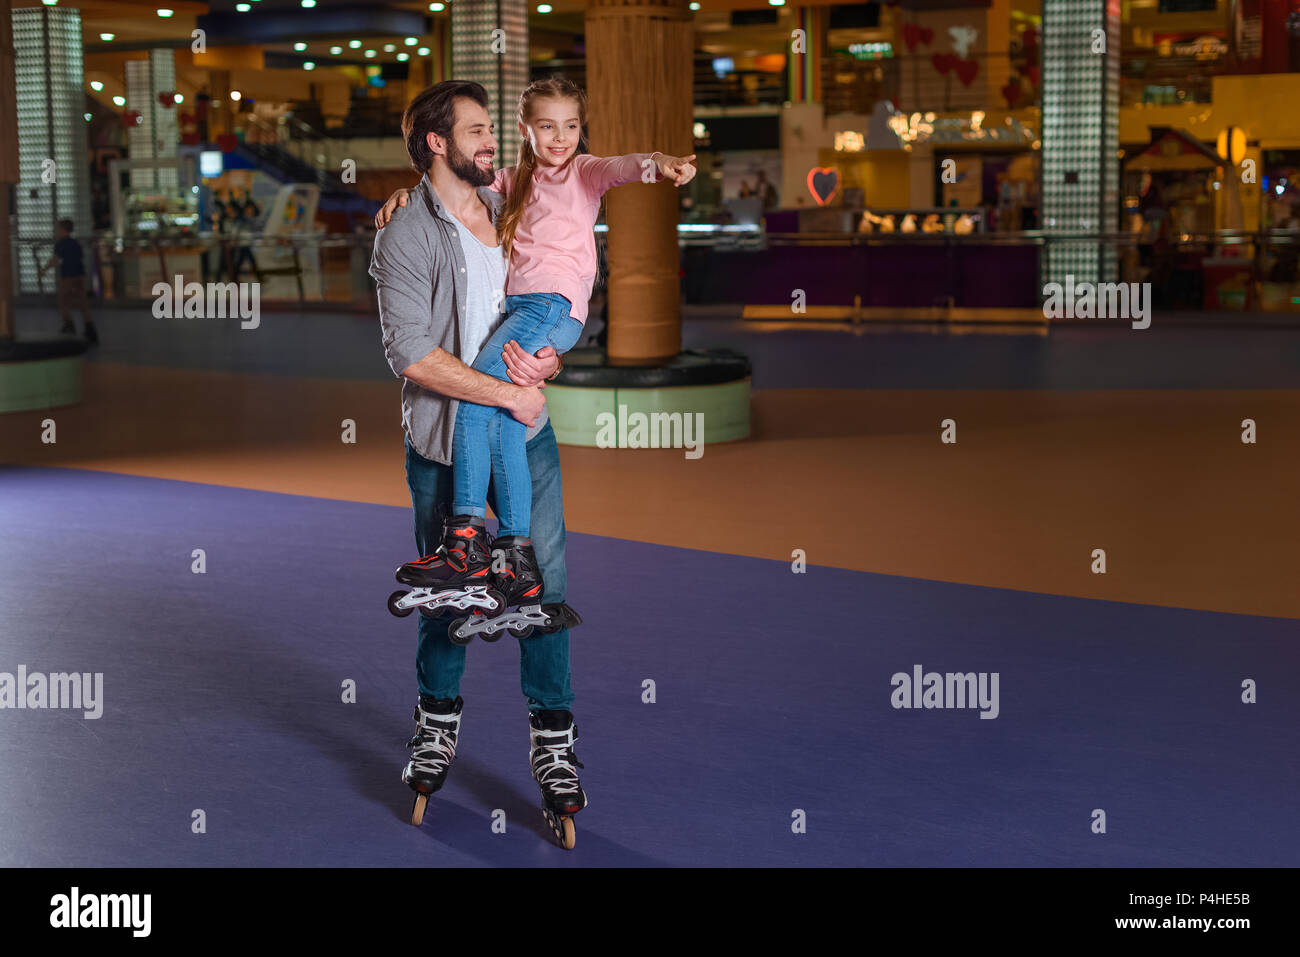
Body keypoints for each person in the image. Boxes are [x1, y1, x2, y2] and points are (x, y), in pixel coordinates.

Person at [368, 80, 615, 845]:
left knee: (544, 585)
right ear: (436, 142)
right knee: (453, 590)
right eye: (476, 129)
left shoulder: (514, 211)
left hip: (525, 434)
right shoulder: (404, 231)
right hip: (444, 446)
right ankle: (436, 726)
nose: (490, 141)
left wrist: (547, 361)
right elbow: (410, 353)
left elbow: (558, 287)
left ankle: (554, 744)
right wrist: (510, 391)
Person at [377, 77, 694, 612]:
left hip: (548, 308)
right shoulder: (508, 185)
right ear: (527, 130)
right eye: (547, 126)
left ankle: (468, 541)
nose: (561, 137)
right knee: (496, 413)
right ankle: (511, 553)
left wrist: (660, 162)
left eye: (572, 126)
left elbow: (622, 166)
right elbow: (451, 191)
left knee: (477, 404)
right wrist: (406, 192)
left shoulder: (583, 173)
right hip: (532, 316)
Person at [39, 219, 97, 344]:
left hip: (68, 276)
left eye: (58, 228)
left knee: (63, 300)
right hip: (80, 275)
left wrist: (43, 270)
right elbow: (80, 257)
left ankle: (69, 325)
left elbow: (54, 260)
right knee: (83, 302)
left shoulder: (61, 244)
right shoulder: (75, 243)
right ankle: (90, 328)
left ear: (62, 229)